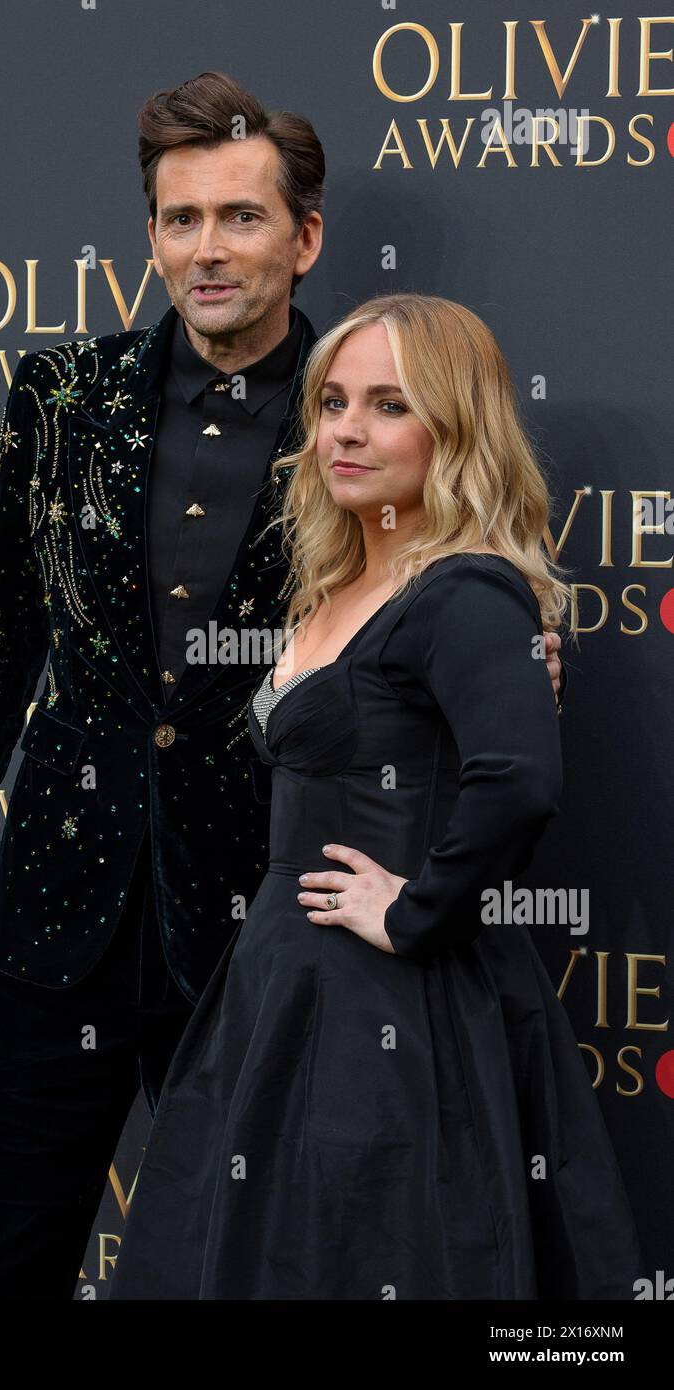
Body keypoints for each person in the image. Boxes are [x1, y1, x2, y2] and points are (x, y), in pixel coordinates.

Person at [0, 73, 565, 1300]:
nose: (210, 249)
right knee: (0, 1268)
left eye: (241, 218)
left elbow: (436, 594)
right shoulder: (59, 398)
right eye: (182, 218)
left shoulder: (356, 409)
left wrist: (516, 648)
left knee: (239, 1270)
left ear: (303, 238)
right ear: (150, 236)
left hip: (264, 929)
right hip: (61, 914)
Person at [105, 293, 643, 1301]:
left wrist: (413, 910)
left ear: (456, 427)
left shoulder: (468, 589)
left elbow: (518, 779)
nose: (348, 430)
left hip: (393, 1006)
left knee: (371, 1249)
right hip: (280, 981)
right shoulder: (335, 582)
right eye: (335, 402)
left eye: (390, 405)